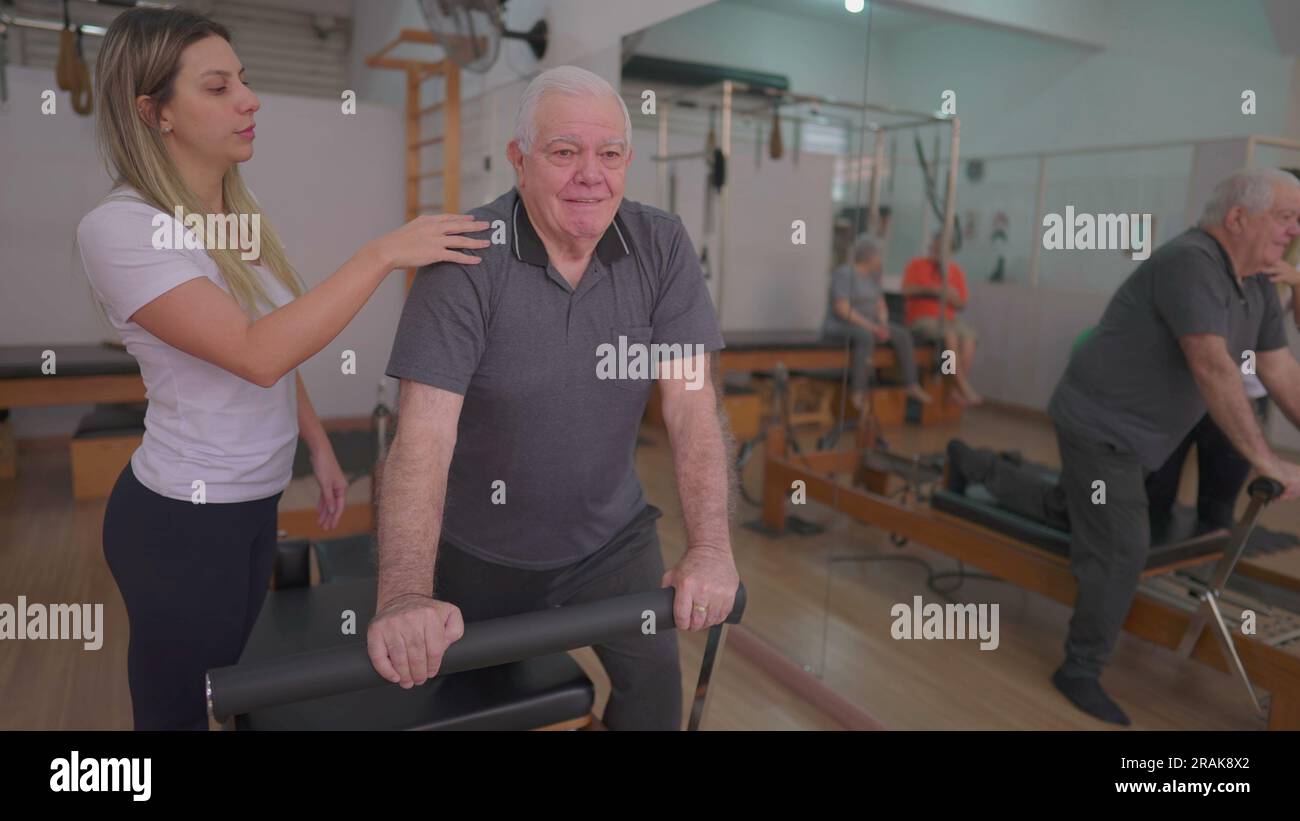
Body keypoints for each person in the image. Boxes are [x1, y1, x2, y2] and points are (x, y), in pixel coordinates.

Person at [79, 7, 489, 729]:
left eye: (245, 78)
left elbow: (272, 341)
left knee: (232, 684)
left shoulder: (235, 213)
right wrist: (383, 252)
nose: (248, 98)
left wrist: (320, 445)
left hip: (250, 507)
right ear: (155, 111)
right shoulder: (119, 228)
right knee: (176, 713)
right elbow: (256, 352)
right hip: (181, 522)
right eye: (217, 87)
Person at [366, 66, 741, 730]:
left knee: (654, 699)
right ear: (519, 160)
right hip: (479, 553)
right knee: (475, 714)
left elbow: (690, 404)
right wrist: (403, 596)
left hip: (613, 543)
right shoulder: (466, 260)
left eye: (610, 154)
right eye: (565, 152)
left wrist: (710, 547)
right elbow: (422, 438)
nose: (590, 174)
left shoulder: (662, 244)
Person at [1046, 167, 1300, 725]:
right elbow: (1213, 366)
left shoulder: (1256, 281)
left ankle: (1053, 497)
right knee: (1122, 549)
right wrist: (1266, 459)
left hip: (1147, 436)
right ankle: (1079, 669)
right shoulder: (1191, 261)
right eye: (1285, 218)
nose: (1294, 231)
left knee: (1107, 516)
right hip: (1099, 426)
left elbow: (1280, 368)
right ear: (1237, 218)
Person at [822, 234, 933, 409]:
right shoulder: (845, 274)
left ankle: (911, 384)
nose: (881, 259)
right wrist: (873, 328)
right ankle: (858, 391)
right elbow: (842, 310)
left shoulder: (872, 277)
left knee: (902, 334)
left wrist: (882, 323)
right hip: (841, 325)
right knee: (865, 336)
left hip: (871, 324)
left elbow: (880, 305)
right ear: (870, 257)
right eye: (879, 255)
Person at [902, 232, 982, 404]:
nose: (937, 252)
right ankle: (961, 384)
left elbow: (962, 304)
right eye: (935, 248)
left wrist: (951, 297)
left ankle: (953, 387)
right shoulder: (917, 265)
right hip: (922, 319)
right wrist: (934, 291)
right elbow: (906, 290)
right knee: (949, 336)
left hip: (948, 319)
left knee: (969, 337)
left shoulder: (955, 271)